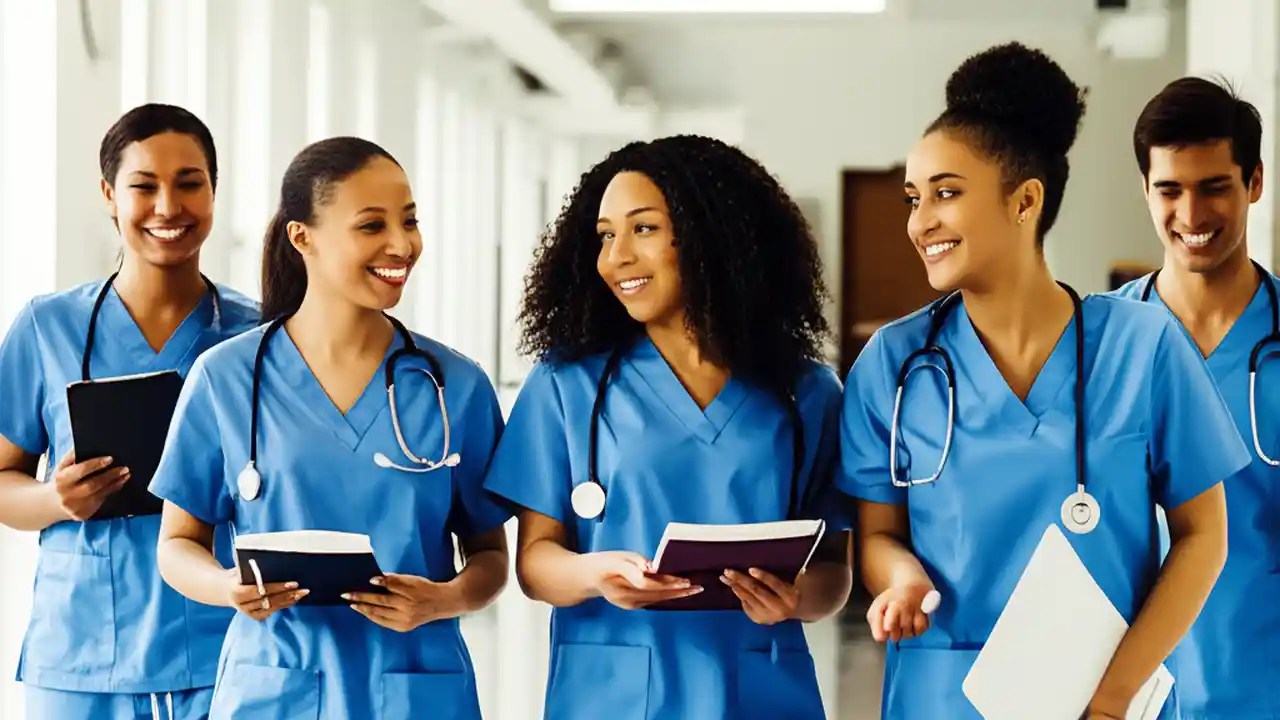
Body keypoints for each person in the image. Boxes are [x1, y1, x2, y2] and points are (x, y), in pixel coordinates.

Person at [839, 43, 1247, 720]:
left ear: (1025, 200)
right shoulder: (893, 361)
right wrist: (901, 580)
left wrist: (1113, 698)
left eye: (946, 194)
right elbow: (878, 535)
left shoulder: (1142, 346)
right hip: (945, 697)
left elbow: (1204, 535)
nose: (920, 222)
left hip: (1102, 697)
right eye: (914, 198)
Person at [484, 134, 852, 719]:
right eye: (605, 236)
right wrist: (593, 573)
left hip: (758, 690)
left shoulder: (807, 394)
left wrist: (796, 598)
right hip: (613, 695)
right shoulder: (566, 385)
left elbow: (834, 569)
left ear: (714, 237)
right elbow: (536, 563)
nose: (615, 258)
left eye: (644, 229)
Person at [149, 137, 510, 718]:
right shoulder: (227, 377)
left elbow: (491, 556)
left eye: (410, 221)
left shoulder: (455, 386)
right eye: (372, 226)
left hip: (414, 686)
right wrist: (226, 589)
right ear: (303, 237)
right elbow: (177, 545)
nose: (402, 244)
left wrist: (443, 600)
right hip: (276, 688)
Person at [0, 103, 259, 720]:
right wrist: (57, 500)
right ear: (109, 195)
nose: (168, 207)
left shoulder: (258, 338)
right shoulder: (46, 328)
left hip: (224, 649)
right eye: (144, 186)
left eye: (190, 184)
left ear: (214, 193)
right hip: (81, 657)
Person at [1111, 76, 1279, 719]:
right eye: (1170, 190)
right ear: (1146, 191)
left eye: (1215, 187)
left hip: (1262, 684)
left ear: (1254, 182)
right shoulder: (1097, 347)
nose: (1191, 215)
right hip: (1128, 692)